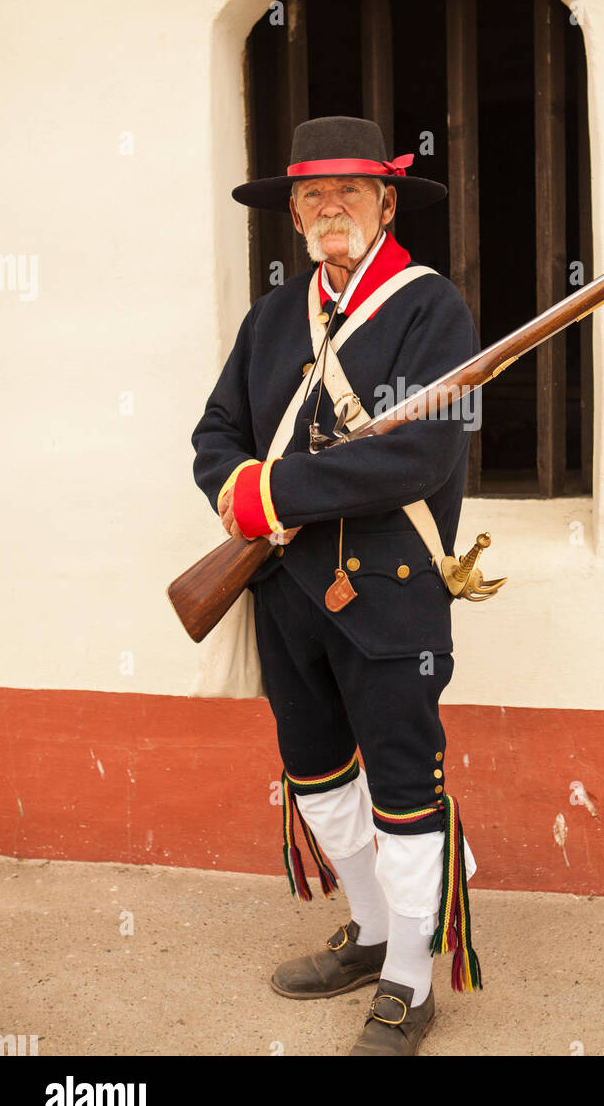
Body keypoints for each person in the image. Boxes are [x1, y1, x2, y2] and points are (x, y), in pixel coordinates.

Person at [191, 116, 482, 1056]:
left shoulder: (431, 308)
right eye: (311, 196)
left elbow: (419, 453)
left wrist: (269, 490)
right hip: (282, 583)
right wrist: (235, 487)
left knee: (404, 783)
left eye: (349, 193)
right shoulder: (274, 316)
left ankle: (410, 975)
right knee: (314, 768)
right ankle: (369, 931)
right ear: (293, 217)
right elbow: (217, 433)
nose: (328, 209)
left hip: (393, 586)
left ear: (387, 202)